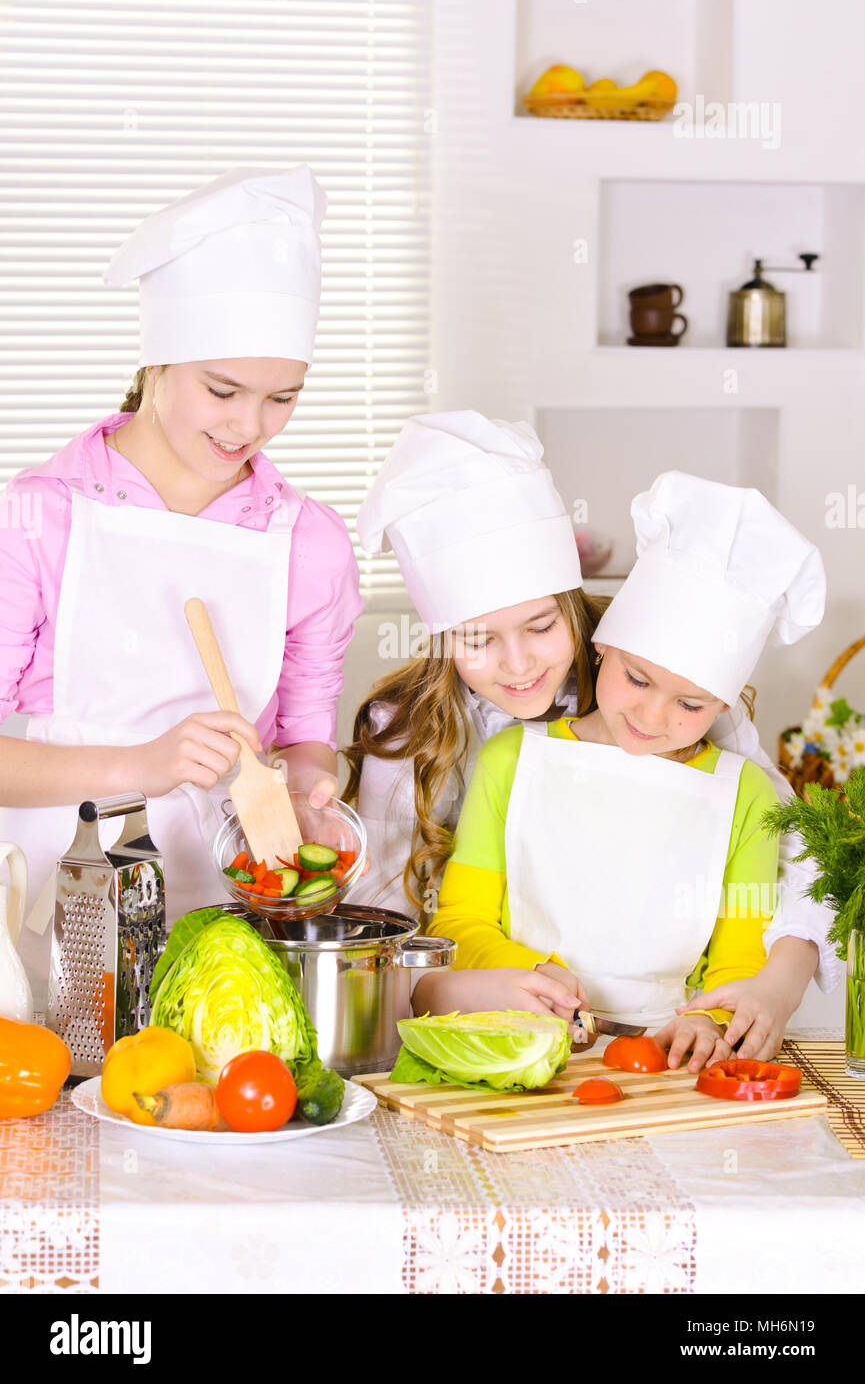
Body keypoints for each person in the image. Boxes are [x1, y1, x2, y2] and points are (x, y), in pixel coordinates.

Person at [346, 413, 841, 1054]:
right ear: (442, 636)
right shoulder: (414, 734)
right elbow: (383, 928)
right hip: (489, 1021)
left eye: (541, 626)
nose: (519, 665)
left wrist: (773, 988)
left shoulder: (671, 688)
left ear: (585, 622)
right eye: (478, 639)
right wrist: (468, 986)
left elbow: (791, 863)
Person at [0, 165, 363, 1002]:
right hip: (57, 902)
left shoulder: (306, 540)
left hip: (227, 912)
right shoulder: (42, 515)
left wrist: (309, 786)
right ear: (158, 361)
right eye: (223, 390)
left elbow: (307, 736)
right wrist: (145, 762)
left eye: (283, 399)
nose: (248, 426)